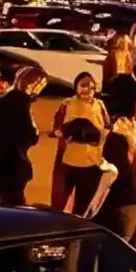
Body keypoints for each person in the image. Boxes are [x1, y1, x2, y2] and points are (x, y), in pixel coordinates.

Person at [96, 74, 136, 249]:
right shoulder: (117, 130)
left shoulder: (132, 126)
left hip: (134, 201)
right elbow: (122, 173)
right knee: (120, 253)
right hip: (123, 204)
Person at [0, 66, 46, 205]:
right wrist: (34, 133)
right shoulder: (20, 102)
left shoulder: (8, 100)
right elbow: (25, 133)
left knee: (3, 202)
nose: (40, 89)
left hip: (0, 162)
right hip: (12, 164)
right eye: (40, 85)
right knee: (13, 205)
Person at [49, 71, 110, 213]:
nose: (86, 90)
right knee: (60, 201)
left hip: (91, 162)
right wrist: (67, 132)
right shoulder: (67, 104)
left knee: (84, 204)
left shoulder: (99, 105)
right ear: (75, 87)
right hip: (68, 161)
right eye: (82, 86)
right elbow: (56, 128)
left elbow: (107, 128)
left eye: (90, 86)